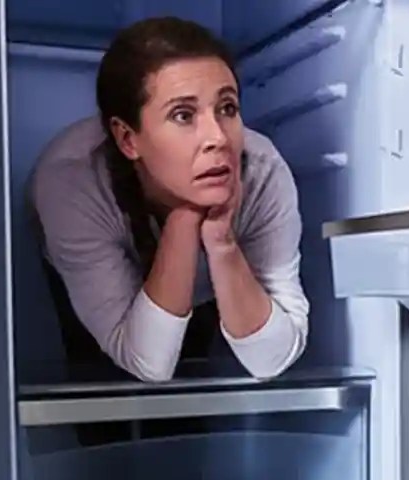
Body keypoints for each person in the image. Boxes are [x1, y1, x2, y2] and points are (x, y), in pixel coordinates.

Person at [29, 17, 309, 383]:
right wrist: (184, 219)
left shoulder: (263, 171)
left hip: (205, 281)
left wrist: (222, 244)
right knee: (98, 384)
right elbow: (147, 361)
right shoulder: (72, 183)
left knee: (192, 380)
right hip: (96, 264)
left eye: (227, 108)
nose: (217, 138)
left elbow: (272, 359)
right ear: (129, 140)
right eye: (183, 115)